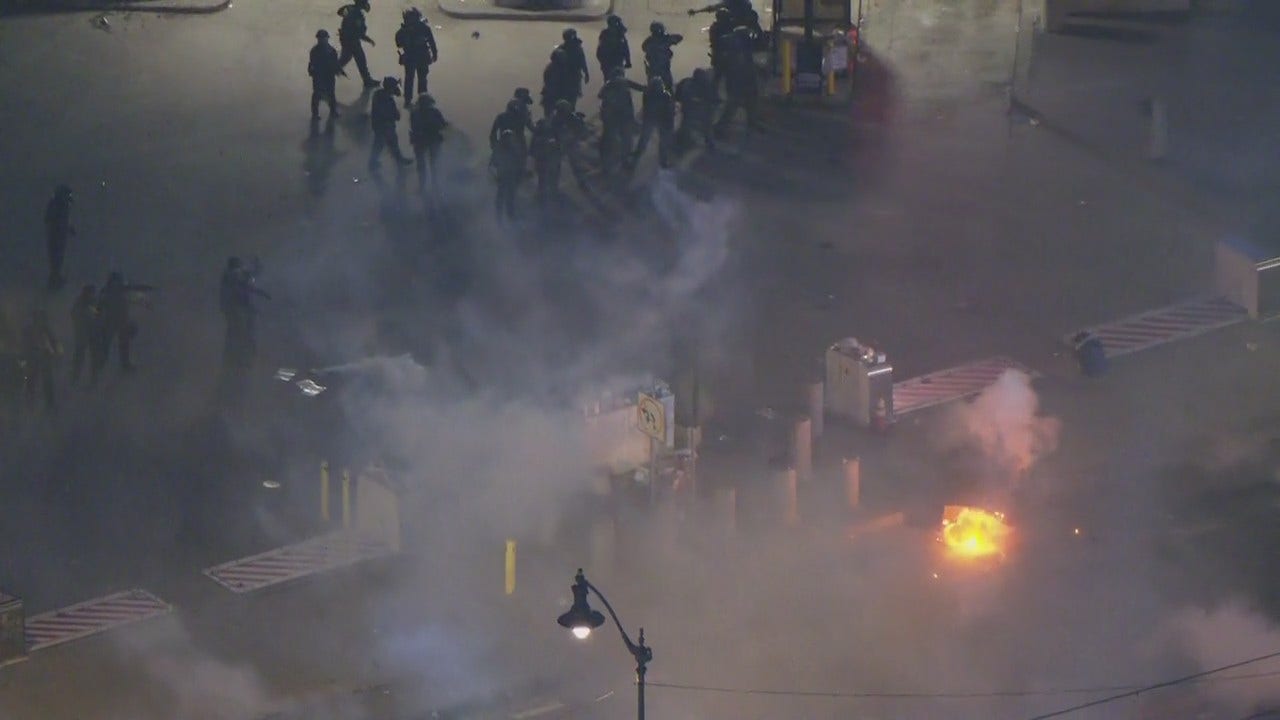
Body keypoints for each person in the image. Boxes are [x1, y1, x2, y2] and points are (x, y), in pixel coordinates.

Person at [91, 272, 154, 386]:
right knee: (106, 345)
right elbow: (98, 307)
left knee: (124, 344)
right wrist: (97, 318)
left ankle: (124, 363)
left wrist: (146, 302)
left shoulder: (123, 291)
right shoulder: (106, 294)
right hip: (109, 323)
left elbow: (136, 296)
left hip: (122, 321)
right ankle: (99, 364)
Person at [220, 257, 270, 371]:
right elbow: (247, 286)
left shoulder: (232, 274)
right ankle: (243, 356)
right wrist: (262, 293)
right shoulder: (234, 274)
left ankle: (240, 355)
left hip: (236, 308)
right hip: (237, 308)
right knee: (241, 331)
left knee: (237, 331)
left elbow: (249, 280)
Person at [715, 26, 760, 137]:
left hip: (744, 80)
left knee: (750, 103)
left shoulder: (742, 48)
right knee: (733, 105)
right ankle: (720, 128)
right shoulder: (735, 50)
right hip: (737, 81)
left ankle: (752, 122)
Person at [598, 66, 644, 174]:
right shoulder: (624, 82)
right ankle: (624, 160)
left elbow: (600, 95)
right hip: (624, 115)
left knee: (608, 138)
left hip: (612, 116)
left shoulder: (609, 84)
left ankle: (605, 162)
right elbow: (641, 88)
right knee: (626, 138)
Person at [395, 7, 438, 108]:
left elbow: (431, 42)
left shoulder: (423, 28)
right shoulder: (403, 31)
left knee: (421, 78)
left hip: (421, 56)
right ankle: (409, 99)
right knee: (411, 78)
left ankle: (421, 98)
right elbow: (399, 45)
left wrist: (435, 53)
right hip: (412, 57)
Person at [369, 77, 413, 170]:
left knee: (385, 143)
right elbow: (389, 113)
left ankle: (375, 161)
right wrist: (395, 115)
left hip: (381, 125)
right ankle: (373, 162)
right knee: (382, 143)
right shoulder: (386, 98)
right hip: (384, 125)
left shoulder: (380, 95)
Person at [632, 75, 676, 169]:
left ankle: (637, 155)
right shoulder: (666, 95)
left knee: (645, 137)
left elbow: (646, 107)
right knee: (663, 141)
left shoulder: (647, 93)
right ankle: (663, 161)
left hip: (650, 119)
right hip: (662, 120)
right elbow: (669, 109)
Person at [20, 309, 59, 411]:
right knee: (31, 380)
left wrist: (56, 352)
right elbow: (23, 345)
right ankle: (30, 402)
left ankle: (49, 404)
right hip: (33, 358)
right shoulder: (28, 330)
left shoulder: (44, 329)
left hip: (43, 357)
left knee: (46, 381)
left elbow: (53, 341)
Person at [550, 99, 591, 191]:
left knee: (573, 164)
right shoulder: (559, 119)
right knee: (560, 165)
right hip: (564, 144)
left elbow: (582, 130)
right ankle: (580, 181)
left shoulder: (566, 118)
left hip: (568, 144)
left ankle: (581, 181)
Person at [409, 94, 448, 191]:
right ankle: (435, 184)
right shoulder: (435, 112)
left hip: (420, 141)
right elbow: (442, 125)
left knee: (422, 165)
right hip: (433, 140)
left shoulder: (415, 113)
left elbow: (414, 127)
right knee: (433, 163)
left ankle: (422, 185)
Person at [337, 0, 379, 88]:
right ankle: (326, 74)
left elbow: (340, 13)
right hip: (351, 41)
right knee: (358, 60)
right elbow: (358, 32)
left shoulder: (351, 10)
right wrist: (369, 40)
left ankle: (367, 80)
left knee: (349, 59)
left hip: (348, 40)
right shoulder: (356, 14)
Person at [675, 68, 718, 152]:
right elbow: (712, 98)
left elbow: (679, 95)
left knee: (687, 125)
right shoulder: (706, 85)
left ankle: (682, 141)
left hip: (691, 110)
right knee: (705, 126)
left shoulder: (687, 83)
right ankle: (709, 142)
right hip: (697, 110)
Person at [490, 129, 526, 222]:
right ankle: (500, 219)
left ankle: (510, 218)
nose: (509, 140)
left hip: (510, 177)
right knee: (501, 199)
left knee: (510, 199)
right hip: (503, 177)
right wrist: (495, 177)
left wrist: (520, 174)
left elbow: (520, 163)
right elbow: (492, 165)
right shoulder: (499, 149)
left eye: (510, 138)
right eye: (507, 138)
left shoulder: (514, 149)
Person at [44, 185, 74, 291]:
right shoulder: (56, 205)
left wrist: (68, 228)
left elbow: (64, 220)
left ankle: (55, 280)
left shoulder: (63, 205)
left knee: (59, 259)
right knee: (56, 259)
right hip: (56, 236)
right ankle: (54, 282)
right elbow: (49, 219)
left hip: (60, 236)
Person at [309, 29, 344, 119]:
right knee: (317, 94)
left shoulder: (330, 50)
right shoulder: (317, 51)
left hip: (327, 75)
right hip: (320, 75)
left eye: (323, 38)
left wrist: (338, 70)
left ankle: (332, 111)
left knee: (330, 93)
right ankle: (316, 113)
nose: (322, 40)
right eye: (321, 38)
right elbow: (312, 63)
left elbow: (335, 63)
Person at [529, 118, 562, 208]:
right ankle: (551, 194)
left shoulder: (537, 136)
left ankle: (545, 195)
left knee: (544, 179)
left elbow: (531, 151)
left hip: (545, 161)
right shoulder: (551, 134)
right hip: (548, 161)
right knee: (549, 179)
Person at [641, 21, 683, 90]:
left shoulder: (651, 40)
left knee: (654, 82)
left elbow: (678, 38)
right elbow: (678, 38)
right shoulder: (663, 39)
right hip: (659, 68)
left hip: (655, 68)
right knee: (666, 83)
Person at [68, 284, 96, 386]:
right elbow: (74, 314)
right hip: (82, 333)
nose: (91, 295)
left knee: (93, 356)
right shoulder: (80, 302)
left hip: (92, 333)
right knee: (80, 355)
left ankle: (93, 378)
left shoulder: (94, 302)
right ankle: (75, 376)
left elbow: (99, 314)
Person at [540, 48, 575, 116]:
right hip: (553, 94)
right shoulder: (552, 69)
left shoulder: (561, 67)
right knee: (550, 113)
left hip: (558, 93)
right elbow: (550, 83)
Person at [596, 15, 631, 80]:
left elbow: (599, 51)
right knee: (619, 80)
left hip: (609, 62)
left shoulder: (605, 33)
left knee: (608, 80)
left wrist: (602, 62)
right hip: (615, 62)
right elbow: (626, 49)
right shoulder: (619, 33)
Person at [558, 28, 590, 95]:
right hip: (571, 74)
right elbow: (582, 61)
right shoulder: (577, 48)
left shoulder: (561, 48)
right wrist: (586, 73)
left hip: (568, 74)